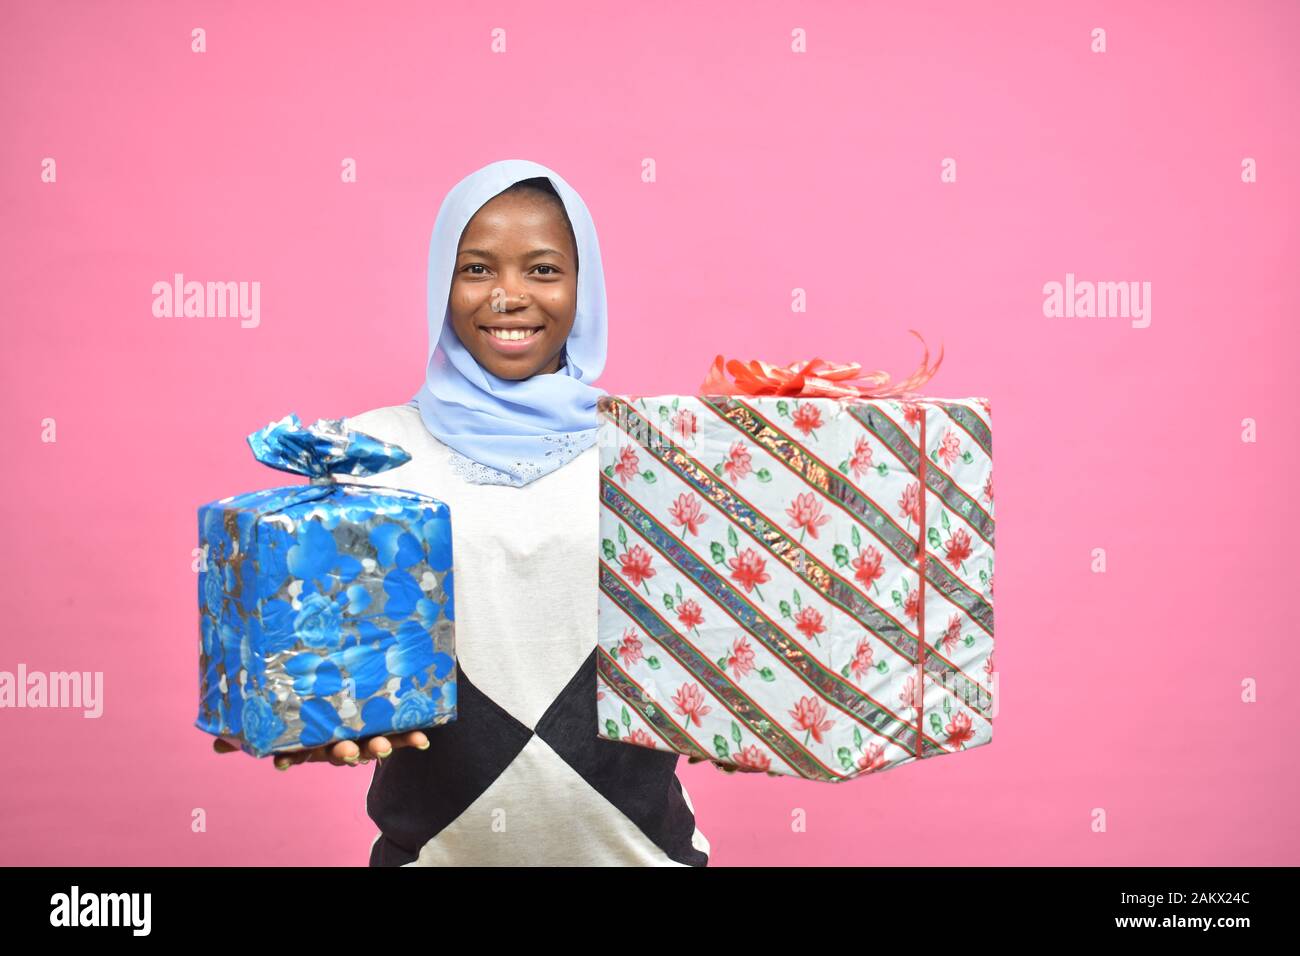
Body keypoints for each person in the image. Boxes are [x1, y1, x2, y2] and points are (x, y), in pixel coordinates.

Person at [217, 159, 723, 866]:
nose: (509, 296)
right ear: (441, 285)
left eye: (543, 270)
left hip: (645, 854)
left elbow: (708, 648)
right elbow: (333, 649)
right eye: (477, 268)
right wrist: (304, 710)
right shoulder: (370, 453)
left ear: (586, 289)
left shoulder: (648, 451)